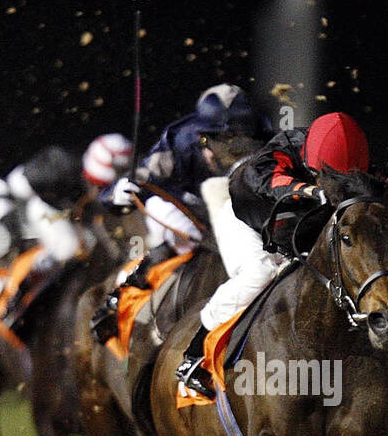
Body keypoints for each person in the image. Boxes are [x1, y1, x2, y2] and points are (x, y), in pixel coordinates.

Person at [175, 111, 388, 398]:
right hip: (249, 224)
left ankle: (375, 356)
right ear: (310, 157)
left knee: (340, 280)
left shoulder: (359, 169)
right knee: (260, 273)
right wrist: (309, 190)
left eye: (343, 178)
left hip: (302, 232)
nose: (335, 182)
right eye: (328, 176)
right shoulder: (283, 148)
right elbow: (265, 180)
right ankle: (195, 355)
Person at [91, 84, 269, 343]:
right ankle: (123, 293)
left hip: (234, 200)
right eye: (219, 140)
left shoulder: (266, 136)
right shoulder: (180, 143)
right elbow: (139, 178)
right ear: (202, 136)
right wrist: (116, 193)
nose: (229, 150)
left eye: (240, 141)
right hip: (185, 205)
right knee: (184, 233)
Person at [0, 144, 97, 329]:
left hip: (74, 215)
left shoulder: (79, 172)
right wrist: (15, 234)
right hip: (50, 212)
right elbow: (0, 190)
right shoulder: (51, 173)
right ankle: (17, 295)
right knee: (67, 249)